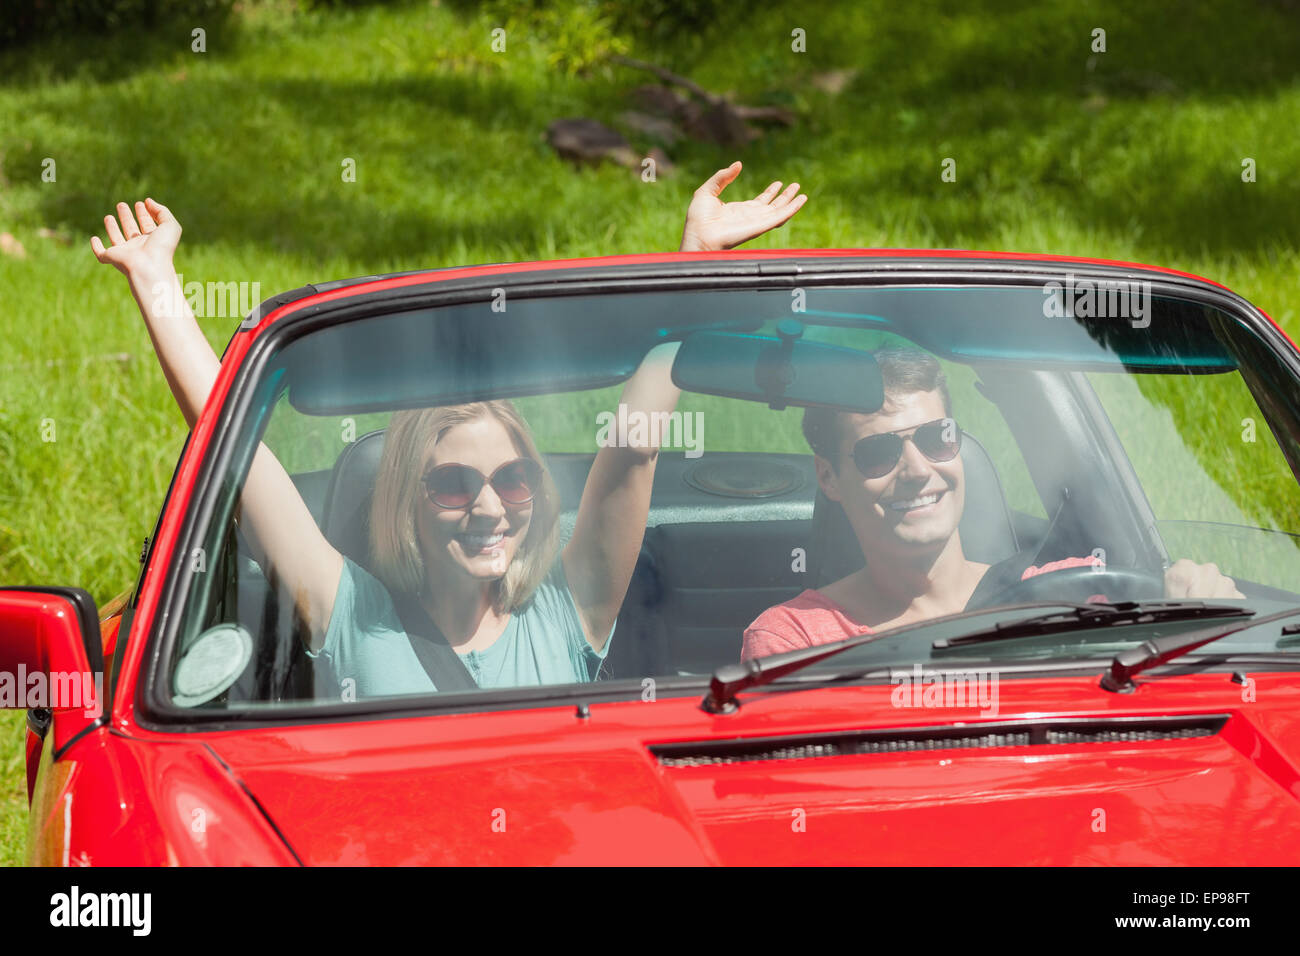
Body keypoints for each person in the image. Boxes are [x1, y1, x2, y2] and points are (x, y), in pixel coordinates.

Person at [91, 162, 808, 695]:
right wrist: (157, 283)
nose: (490, 507)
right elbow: (239, 458)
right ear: (407, 499)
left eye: (512, 479)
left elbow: (633, 450)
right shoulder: (353, 615)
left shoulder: (566, 607)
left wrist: (694, 265)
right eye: (453, 487)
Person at [743, 347, 1244, 661]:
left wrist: (1194, 604)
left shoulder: (1069, 591)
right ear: (829, 476)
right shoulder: (795, 640)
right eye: (880, 452)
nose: (918, 470)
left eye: (937, 438)